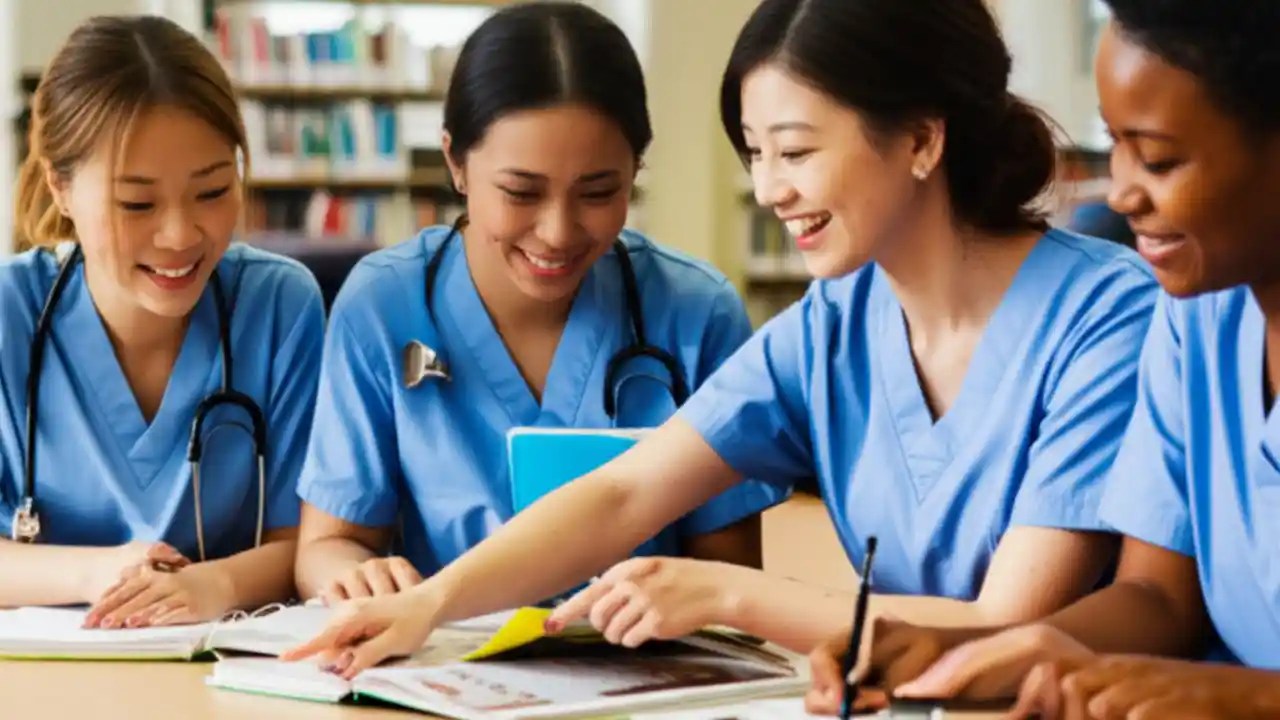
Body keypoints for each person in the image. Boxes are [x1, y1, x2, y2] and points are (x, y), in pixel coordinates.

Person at [282, 0, 1158, 678]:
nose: (771, 190)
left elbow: (1011, 626)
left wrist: (731, 595)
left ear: (923, 138)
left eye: (796, 150)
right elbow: (626, 494)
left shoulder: (1101, 315)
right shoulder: (832, 323)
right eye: (755, 154)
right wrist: (431, 605)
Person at [805, 1, 1280, 717]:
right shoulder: (1198, 319)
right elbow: (1158, 597)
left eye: (1158, 158)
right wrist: (977, 648)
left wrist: (1243, 698)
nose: (1120, 193)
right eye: (1113, 143)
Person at [292, 1, 784, 604]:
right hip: (442, 668)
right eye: (520, 192)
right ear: (456, 163)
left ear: (636, 169)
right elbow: (327, 545)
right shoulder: (383, 305)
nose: (557, 231)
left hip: (638, 678)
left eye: (599, 191)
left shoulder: (696, 312)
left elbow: (731, 581)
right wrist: (350, 574)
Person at [0, 15, 325, 628]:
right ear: (61, 187)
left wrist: (217, 584)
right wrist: (101, 573)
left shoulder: (280, 305)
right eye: (137, 203)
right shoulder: (9, 313)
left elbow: (311, 542)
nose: (180, 235)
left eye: (211, 191)